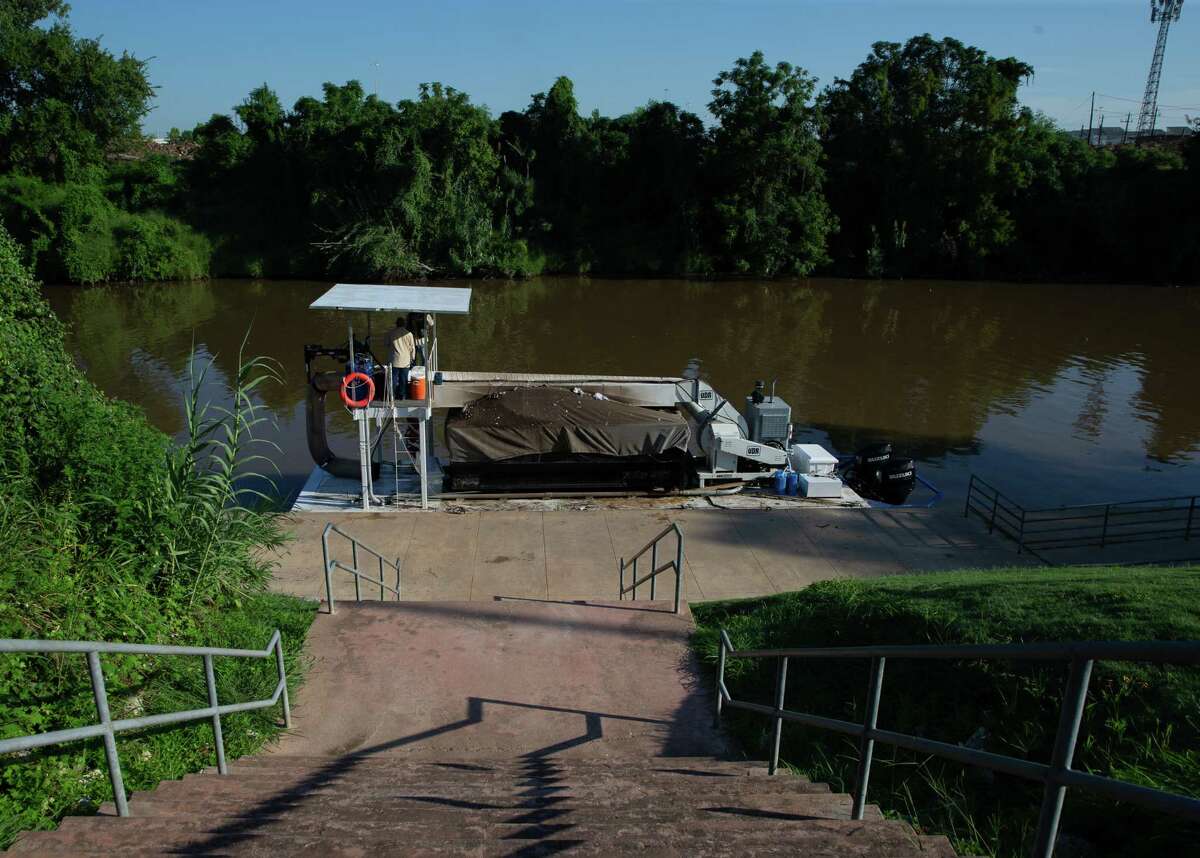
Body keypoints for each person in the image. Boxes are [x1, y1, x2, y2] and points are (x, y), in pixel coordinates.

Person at [379, 316, 415, 399]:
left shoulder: (391, 333)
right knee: (403, 379)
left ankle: (392, 395)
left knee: (393, 379)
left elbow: (386, 344)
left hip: (394, 360)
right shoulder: (409, 334)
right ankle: (402, 395)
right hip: (405, 361)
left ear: (396, 324)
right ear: (404, 324)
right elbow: (412, 348)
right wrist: (412, 358)